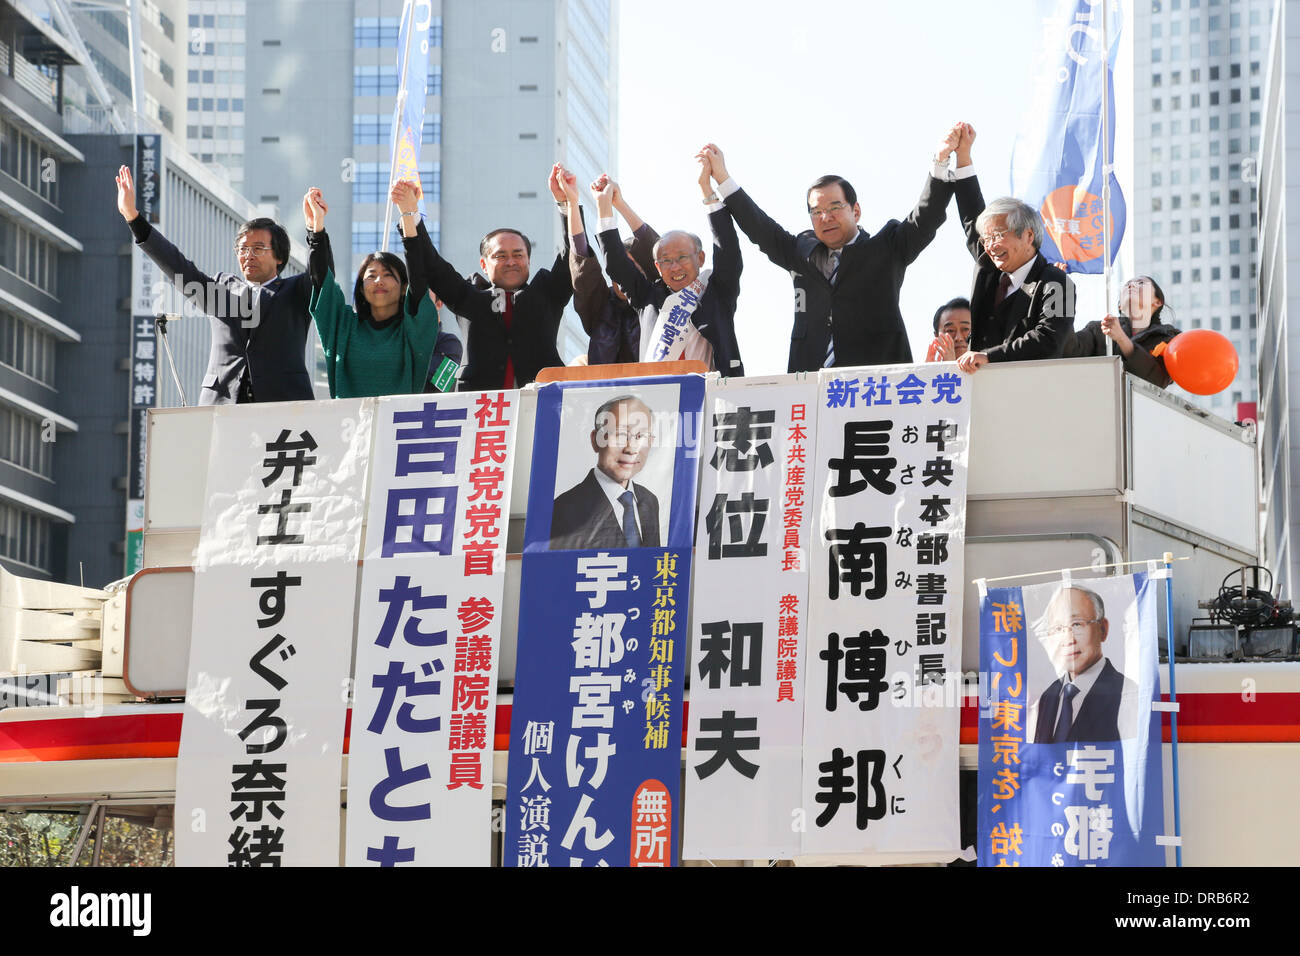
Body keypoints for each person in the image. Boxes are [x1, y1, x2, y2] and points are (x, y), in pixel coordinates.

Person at [696, 128, 963, 372]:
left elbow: (925, 219)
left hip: (876, 386)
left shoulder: (887, 247)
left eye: (835, 208)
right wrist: (722, 179)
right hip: (811, 387)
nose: (825, 218)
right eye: (817, 212)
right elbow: (760, 227)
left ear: (855, 211)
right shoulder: (801, 252)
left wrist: (940, 162)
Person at [115, 166, 326, 405]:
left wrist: (315, 230)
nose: (248, 256)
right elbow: (178, 267)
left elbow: (321, 275)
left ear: (279, 256)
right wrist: (133, 218)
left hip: (282, 408)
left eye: (258, 249)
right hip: (222, 406)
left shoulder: (297, 291)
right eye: (243, 249)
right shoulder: (222, 290)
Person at [420, 168, 575, 391]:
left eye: (518, 255)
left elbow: (574, 255)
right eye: (500, 256)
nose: (511, 261)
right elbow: (432, 266)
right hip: (482, 415)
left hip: (543, 408)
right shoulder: (469, 298)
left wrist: (566, 206)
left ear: (528, 260)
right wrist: (411, 216)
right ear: (484, 264)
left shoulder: (547, 292)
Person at [593, 153, 744, 374]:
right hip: (658, 402)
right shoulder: (647, 298)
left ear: (700, 258)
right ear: (657, 267)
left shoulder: (717, 290)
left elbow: (728, 249)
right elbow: (616, 264)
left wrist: (707, 191)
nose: (675, 267)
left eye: (682, 257)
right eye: (666, 261)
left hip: (710, 400)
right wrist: (604, 207)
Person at [953, 128, 1077, 374]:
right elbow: (971, 217)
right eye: (986, 239)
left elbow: (1049, 339)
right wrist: (963, 156)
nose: (990, 246)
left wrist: (989, 357)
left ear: (1028, 235)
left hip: (1030, 395)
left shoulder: (1059, 284)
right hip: (980, 395)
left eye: (998, 236)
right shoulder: (988, 268)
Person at [304, 180, 441, 398]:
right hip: (349, 427)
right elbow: (323, 284)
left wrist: (407, 216)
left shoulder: (412, 330)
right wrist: (315, 229)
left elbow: (418, 276)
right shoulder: (344, 326)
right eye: (371, 276)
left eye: (388, 275)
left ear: (404, 287)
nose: (379, 281)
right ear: (360, 288)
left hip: (399, 426)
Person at [564, 170, 659, 366]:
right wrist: (572, 203)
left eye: (635, 266)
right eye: (624, 266)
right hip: (605, 392)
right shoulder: (600, 303)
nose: (628, 273)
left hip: (654, 390)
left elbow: (654, 248)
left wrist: (619, 204)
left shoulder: (657, 298)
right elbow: (582, 262)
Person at [551, 394, 661, 550]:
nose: (630, 448)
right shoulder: (563, 509)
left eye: (640, 436)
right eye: (620, 434)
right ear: (596, 440)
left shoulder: (650, 501)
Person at [1030, 585, 1137, 744]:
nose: (1068, 639)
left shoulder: (1128, 693)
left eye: (1077, 624)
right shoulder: (1048, 696)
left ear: (1103, 629)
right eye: (1058, 628)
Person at [1063, 276, 1180, 387]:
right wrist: (1062, 297)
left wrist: (1121, 339)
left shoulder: (1169, 339)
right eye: (1127, 285)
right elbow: (1069, 352)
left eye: (1140, 283)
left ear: (1158, 302)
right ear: (1120, 306)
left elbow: (1158, 380)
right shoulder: (1098, 329)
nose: (1131, 285)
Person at [926, 297, 972, 362]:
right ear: (936, 336)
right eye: (950, 331)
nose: (958, 338)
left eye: (965, 329)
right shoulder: (924, 370)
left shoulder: (990, 366)